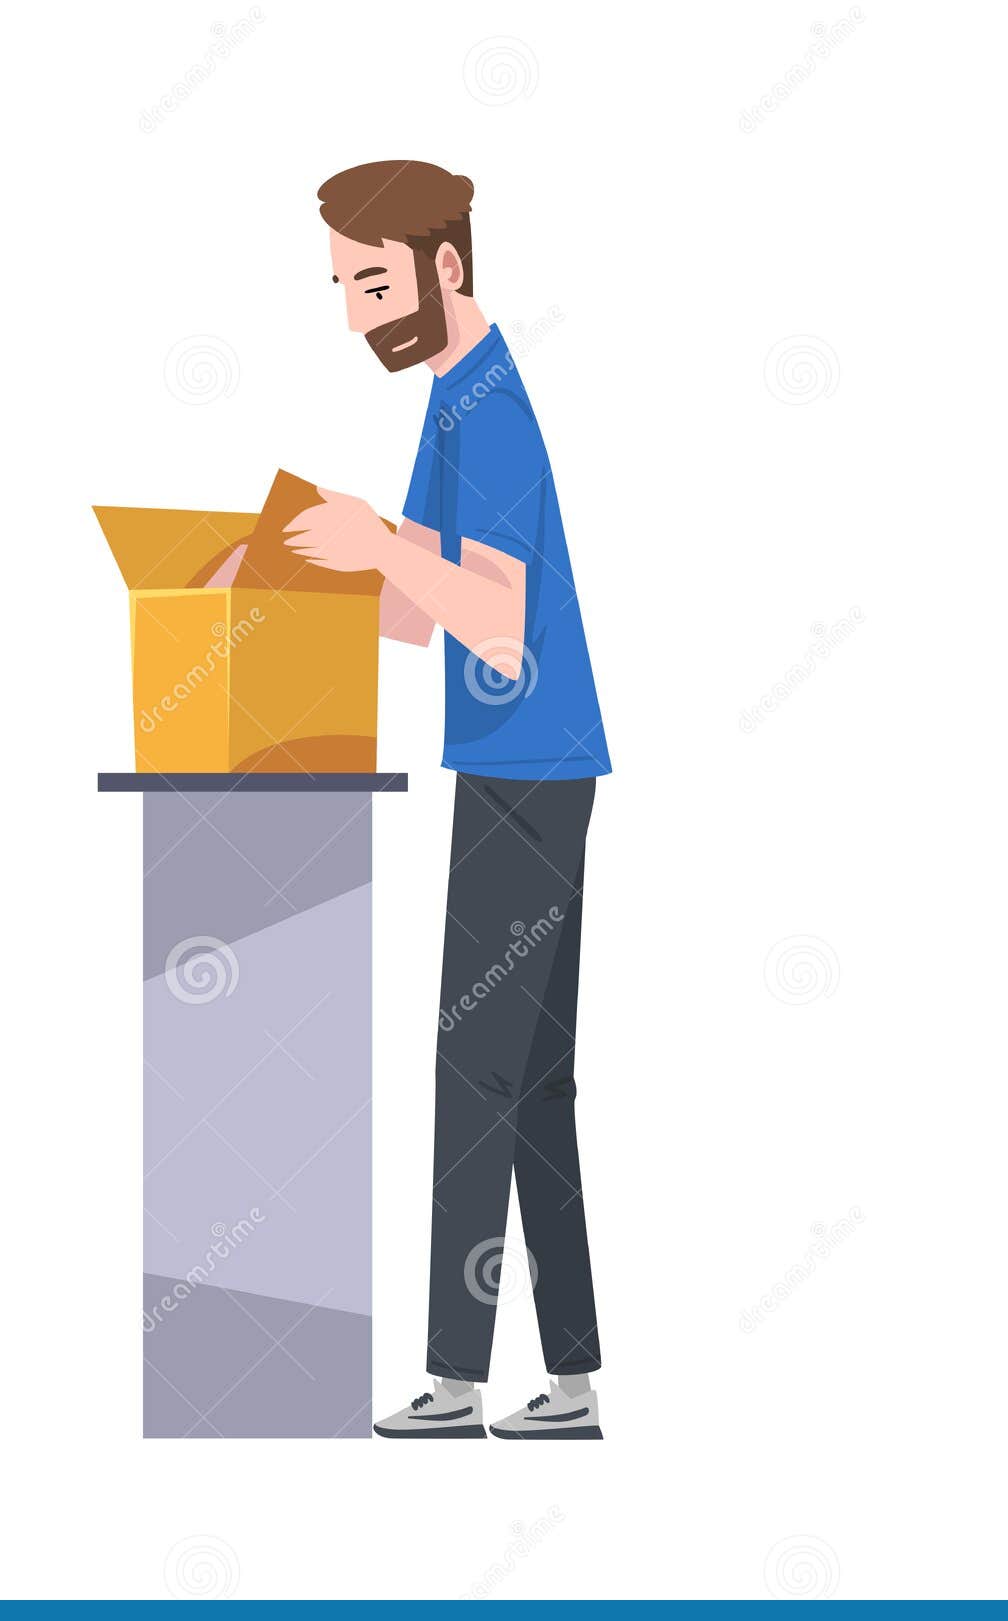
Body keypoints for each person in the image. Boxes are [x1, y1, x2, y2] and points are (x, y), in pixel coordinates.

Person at [285, 160, 610, 1441]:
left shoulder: (495, 408)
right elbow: (419, 618)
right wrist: (272, 582)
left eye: (373, 280)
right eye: (341, 286)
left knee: (474, 1071)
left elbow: (500, 620)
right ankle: (573, 1378)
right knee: (530, 1084)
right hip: (520, 762)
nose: (356, 311)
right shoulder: (450, 399)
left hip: (528, 767)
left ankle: (453, 1377)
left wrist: (377, 547)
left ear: (445, 267)